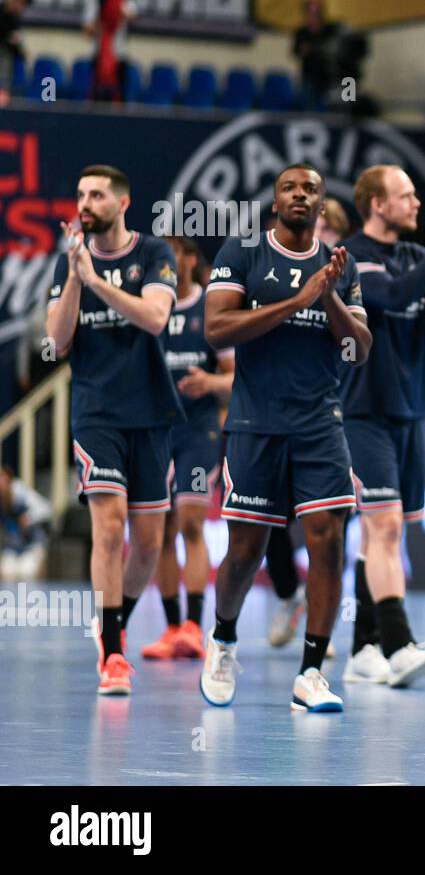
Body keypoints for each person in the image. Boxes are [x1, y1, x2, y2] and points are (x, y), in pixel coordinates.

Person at [200, 163, 372, 713]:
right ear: (276, 202)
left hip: (321, 424)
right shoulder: (243, 253)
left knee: (329, 542)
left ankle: (312, 672)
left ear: (322, 206)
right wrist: (296, 302)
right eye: (289, 188)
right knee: (245, 551)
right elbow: (216, 328)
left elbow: (360, 347)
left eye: (311, 189)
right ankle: (224, 639)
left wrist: (327, 298)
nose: (300, 195)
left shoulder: (340, 267)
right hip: (255, 424)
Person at [339, 165, 425, 686]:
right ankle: (398, 643)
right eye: (405, 196)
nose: (417, 204)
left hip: (409, 413)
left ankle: (362, 648)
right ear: (377, 204)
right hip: (363, 411)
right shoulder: (354, 257)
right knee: (385, 526)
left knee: (381, 533)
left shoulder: (418, 256)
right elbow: (396, 296)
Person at [45, 165, 183, 694]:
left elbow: (154, 318)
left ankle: (111, 621)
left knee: (147, 544)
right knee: (110, 527)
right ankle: (114, 655)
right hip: (96, 411)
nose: (86, 202)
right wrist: (77, 278)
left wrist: (99, 280)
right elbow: (56, 342)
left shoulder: (153, 254)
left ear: (122, 203)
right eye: (80, 193)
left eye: (97, 194)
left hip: (150, 412)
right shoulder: (69, 262)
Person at [140, 236, 233, 661]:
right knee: (160, 532)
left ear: (191, 262)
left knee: (192, 523)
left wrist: (209, 383)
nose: (162, 267)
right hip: (157, 431)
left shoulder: (209, 309)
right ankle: (172, 625)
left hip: (197, 432)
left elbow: (235, 378)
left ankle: (196, 625)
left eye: (171, 259)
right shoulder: (148, 310)